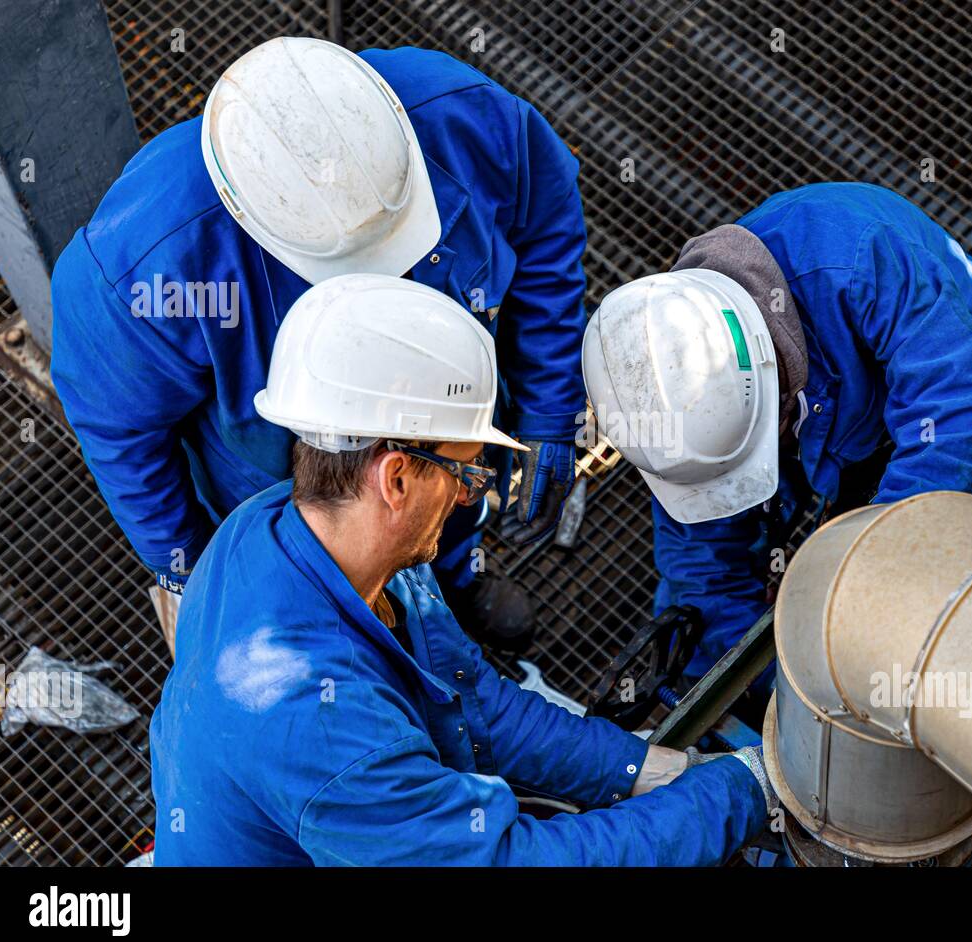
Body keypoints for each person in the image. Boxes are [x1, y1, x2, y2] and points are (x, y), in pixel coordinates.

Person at [149, 274, 774, 865]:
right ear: (395, 478)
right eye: (466, 474)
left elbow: (475, 704)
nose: (470, 497)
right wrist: (739, 793)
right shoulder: (321, 731)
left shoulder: (277, 530)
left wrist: (643, 769)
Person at [51, 37, 589, 650]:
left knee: (449, 492)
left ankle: (455, 578)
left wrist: (550, 407)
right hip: (279, 479)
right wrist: (192, 572)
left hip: (452, 415)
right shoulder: (144, 266)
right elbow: (124, 437)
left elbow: (546, 233)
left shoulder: (466, 115)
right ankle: (369, 626)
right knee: (329, 583)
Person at [582, 183, 972, 686]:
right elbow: (701, 569)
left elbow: (961, 415)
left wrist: (861, 581)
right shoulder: (674, 383)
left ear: (774, 391)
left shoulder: (858, 259)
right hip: (832, 422)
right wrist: (787, 686)